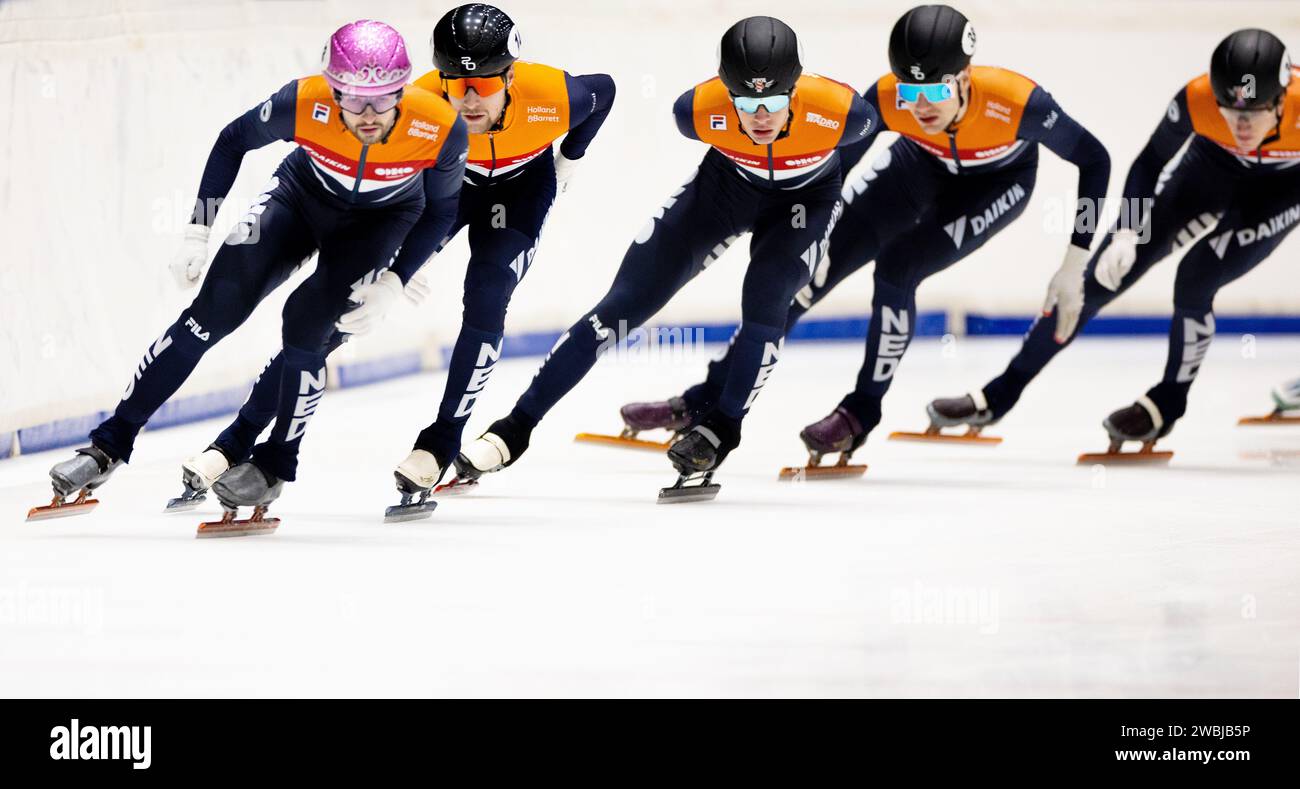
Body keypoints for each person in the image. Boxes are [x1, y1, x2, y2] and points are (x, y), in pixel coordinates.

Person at [617, 4, 1109, 465]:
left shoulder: (1017, 102)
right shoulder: (887, 98)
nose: (920, 106)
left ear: (965, 78)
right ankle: (708, 397)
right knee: (807, 278)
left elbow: (1095, 158)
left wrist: (1075, 261)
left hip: (997, 182)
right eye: (910, 92)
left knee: (899, 268)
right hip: (917, 166)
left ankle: (861, 410)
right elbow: (834, 171)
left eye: (936, 92)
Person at [176, 4, 615, 513]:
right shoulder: (420, 101)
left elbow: (604, 91)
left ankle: (442, 439)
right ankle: (240, 436)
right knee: (340, 315)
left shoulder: (558, 96)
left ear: (512, 76)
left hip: (521, 190)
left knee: (489, 293)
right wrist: (406, 263)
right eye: (455, 83)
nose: (470, 99)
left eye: (487, 84)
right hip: (443, 194)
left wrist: (569, 158)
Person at [36, 20, 468, 520]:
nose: (369, 114)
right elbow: (231, 141)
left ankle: (275, 464)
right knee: (210, 314)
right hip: (299, 199)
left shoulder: (439, 125)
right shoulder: (303, 102)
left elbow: (440, 211)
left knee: (307, 324)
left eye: (384, 98)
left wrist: (398, 277)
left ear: (402, 89)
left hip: (381, 222)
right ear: (331, 88)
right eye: (352, 99)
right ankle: (109, 444)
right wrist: (199, 229)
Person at [451, 15, 877, 496]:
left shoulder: (844, 112)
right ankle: (516, 426)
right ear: (725, 90)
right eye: (747, 102)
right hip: (724, 191)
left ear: (795, 89)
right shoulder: (694, 111)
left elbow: (860, 140)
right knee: (620, 307)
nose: (761, 116)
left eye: (775, 102)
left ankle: (722, 428)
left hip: (805, 200)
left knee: (767, 298)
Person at [928, 28, 1300, 452]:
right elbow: (1149, 164)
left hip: (1282, 191)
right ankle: (999, 394)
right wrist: (1126, 230)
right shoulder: (1195, 99)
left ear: (1282, 99)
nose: (1241, 126)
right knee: (1094, 282)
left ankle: (1167, 402)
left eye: (1253, 114)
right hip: (1209, 173)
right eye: (1230, 114)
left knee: (1197, 277)